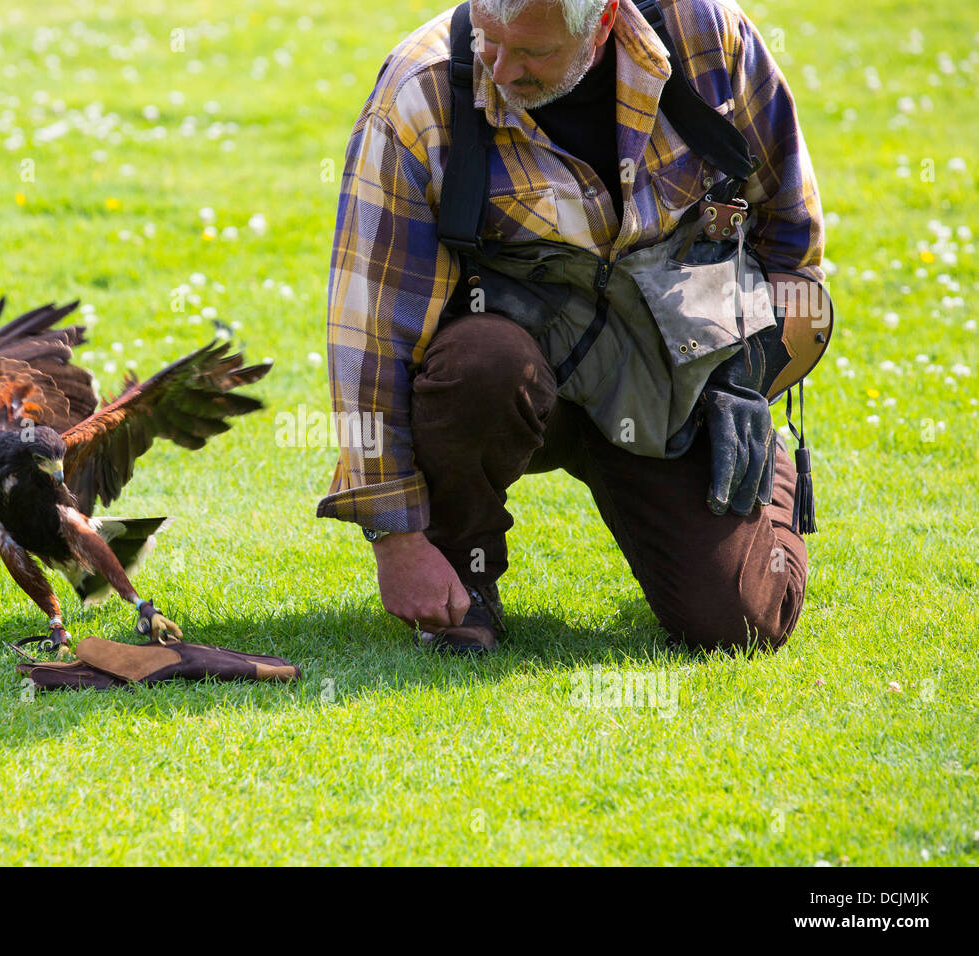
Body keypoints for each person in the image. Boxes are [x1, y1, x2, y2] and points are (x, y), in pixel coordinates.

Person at [316, 0, 826, 653]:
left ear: (605, 19)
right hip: (512, 386)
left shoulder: (706, 34)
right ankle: (466, 579)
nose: (500, 67)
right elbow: (369, 333)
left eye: (532, 54)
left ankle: (763, 470)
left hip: (670, 382)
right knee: (482, 362)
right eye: (491, 41)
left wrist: (745, 376)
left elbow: (790, 240)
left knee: (741, 627)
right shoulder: (422, 92)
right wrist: (398, 542)